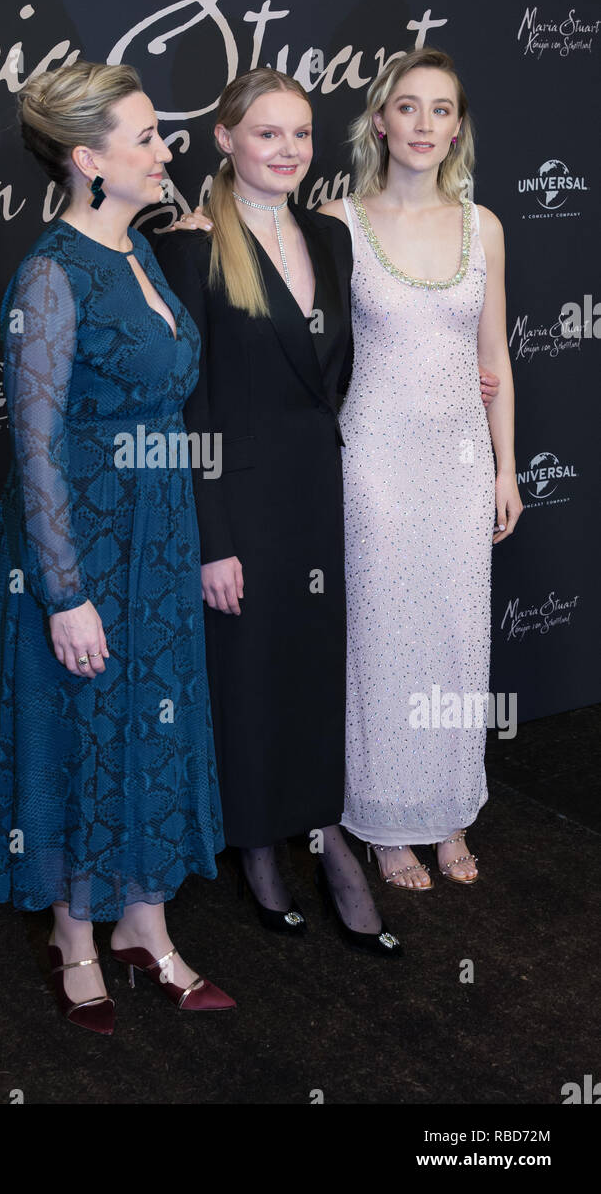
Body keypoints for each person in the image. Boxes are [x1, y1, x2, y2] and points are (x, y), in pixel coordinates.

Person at [0, 61, 234, 1033]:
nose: (163, 147)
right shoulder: (48, 275)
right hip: (77, 547)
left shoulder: (138, 253)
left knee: (148, 724)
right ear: (87, 160)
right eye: (143, 137)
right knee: (80, 727)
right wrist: (62, 593)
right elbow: (33, 446)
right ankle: (74, 941)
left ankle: (144, 923)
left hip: (157, 536)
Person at [157, 69, 403, 956]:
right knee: (250, 678)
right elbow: (190, 409)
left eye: (300, 133)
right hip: (241, 505)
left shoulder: (330, 239)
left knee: (310, 672)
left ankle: (323, 831)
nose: (289, 150)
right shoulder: (188, 248)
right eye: (267, 134)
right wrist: (211, 543)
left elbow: (339, 375)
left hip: (317, 495)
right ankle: (260, 846)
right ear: (225, 139)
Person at [318, 48, 522, 889]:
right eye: (409, 108)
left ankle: (446, 811)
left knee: (455, 637)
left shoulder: (486, 226)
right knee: (379, 642)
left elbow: (495, 358)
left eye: (442, 111)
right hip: (372, 461)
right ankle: (383, 820)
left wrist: (508, 469)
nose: (425, 125)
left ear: (458, 128)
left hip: (461, 462)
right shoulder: (339, 220)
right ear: (380, 121)